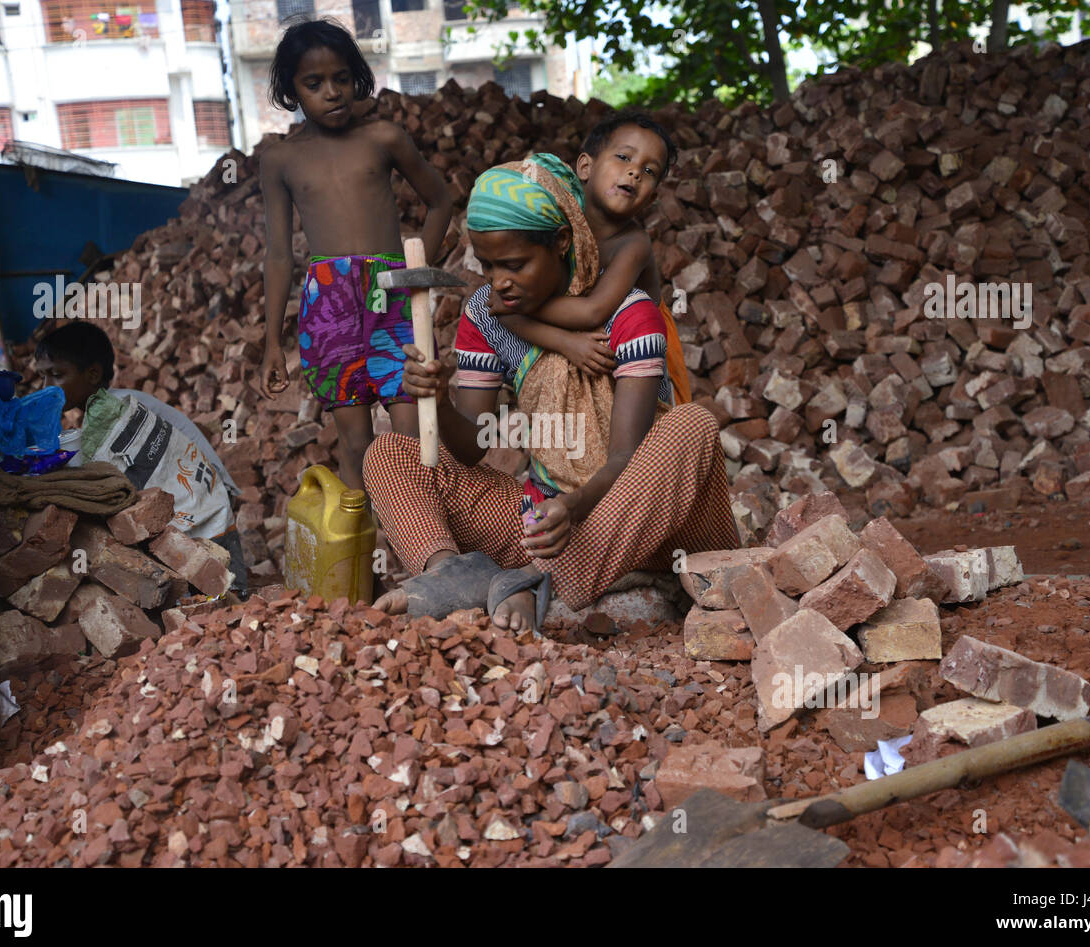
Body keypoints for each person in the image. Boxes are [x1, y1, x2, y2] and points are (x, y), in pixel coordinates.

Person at [367, 154, 738, 633]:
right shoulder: (487, 313)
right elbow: (471, 447)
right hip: (545, 524)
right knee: (390, 454)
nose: (499, 279)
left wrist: (574, 508)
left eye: (515, 264)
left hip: (649, 524)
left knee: (693, 426)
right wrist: (437, 398)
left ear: (562, 242)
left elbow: (626, 456)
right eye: (488, 264)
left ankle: (535, 582)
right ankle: (451, 576)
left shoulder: (629, 314)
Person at [256, 17, 453, 491]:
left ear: (356, 77)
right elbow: (279, 256)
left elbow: (441, 200)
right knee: (355, 440)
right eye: (314, 83)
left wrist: (415, 271)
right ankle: (359, 558)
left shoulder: (383, 138)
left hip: (392, 298)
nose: (332, 92)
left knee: (414, 432)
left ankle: (424, 549)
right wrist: (271, 344)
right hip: (327, 307)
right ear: (292, 90)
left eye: (342, 78)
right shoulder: (280, 159)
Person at [491, 111, 692, 404]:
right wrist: (565, 342)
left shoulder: (632, 244)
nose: (635, 172)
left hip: (642, 362)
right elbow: (504, 312)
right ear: (585, 167)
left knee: (654, 436)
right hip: (582, 348)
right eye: (624, 157)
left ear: (651, 198)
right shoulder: (556, 225)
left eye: (649, 171)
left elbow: (592, 312)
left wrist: (518, 303)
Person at [35, 321, 248, 595]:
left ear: (92, 373)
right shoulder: (109, 405)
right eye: (43, 377)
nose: (46, 387)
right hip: (204, 487)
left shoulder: (113, 410)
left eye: (56, 375)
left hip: (206, 493)